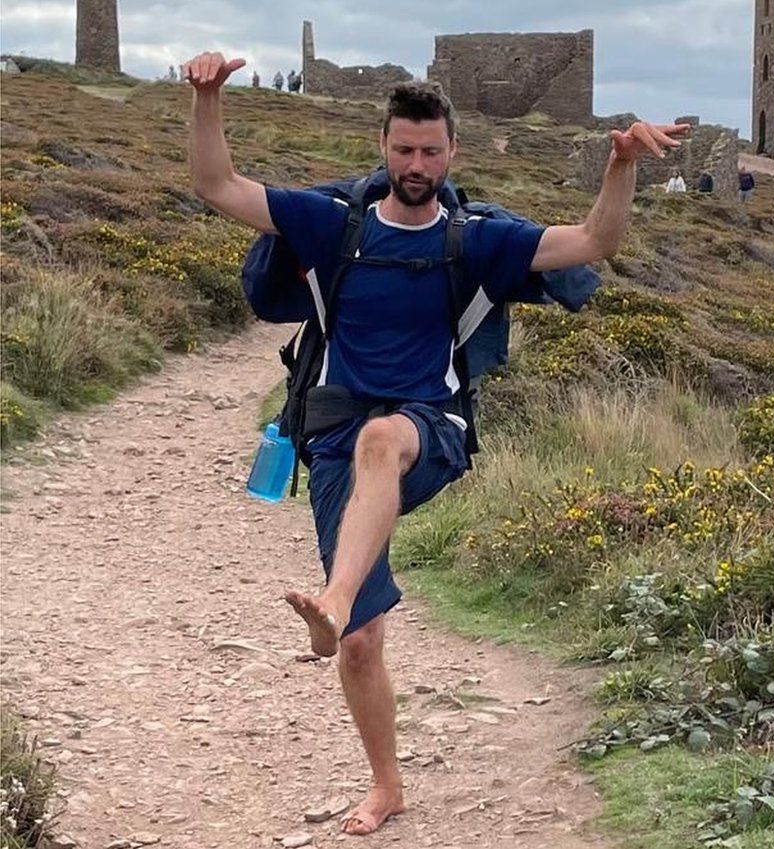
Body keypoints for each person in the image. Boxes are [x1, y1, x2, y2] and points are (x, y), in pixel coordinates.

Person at [181, 50, 688, 837]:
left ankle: (336, 597)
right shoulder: (333, 224)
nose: (415, 165)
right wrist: (208, 98)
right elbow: (219, 185)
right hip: (333, 435)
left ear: (453, 153)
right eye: (402, 149)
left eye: (430, 151)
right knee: (359, 645)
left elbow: (593, 241)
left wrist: (621, 166)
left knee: (383, 440)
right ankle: (387, 782)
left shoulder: (477, 239)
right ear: (384, 149)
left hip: (431, 430)